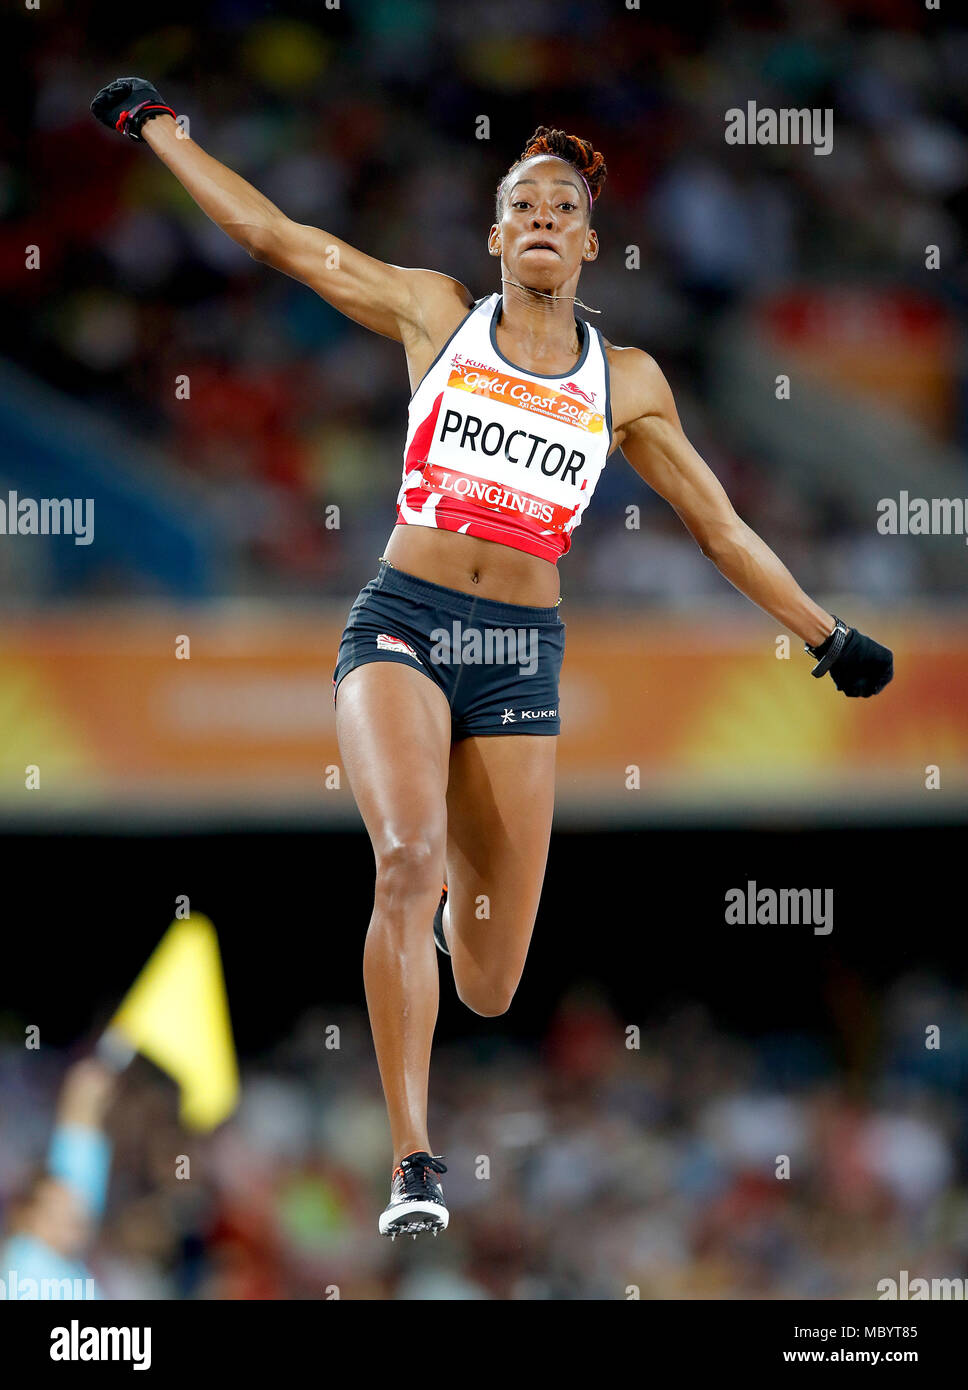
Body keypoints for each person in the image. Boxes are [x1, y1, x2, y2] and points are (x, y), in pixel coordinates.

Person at [90, 80, 893, 1239]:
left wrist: (822, 634)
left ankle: (425, 952)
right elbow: (274, 237)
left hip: (519, 654)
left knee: (490, 979)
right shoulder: (434, 312)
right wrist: (159, 128)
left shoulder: (628, 383)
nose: (542, 219)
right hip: (402, 620)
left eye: (562, 206)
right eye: (521, 203)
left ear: (589, 242)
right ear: (491, 232)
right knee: (405, 859)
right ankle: (413, 1158)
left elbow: (717, 526)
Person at [1, 1058, 117, 1298]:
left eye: (73, 1209)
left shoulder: (59, 1260)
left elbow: (78, 1160)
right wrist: (81, 1100)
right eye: (58, 1211)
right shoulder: (28, 1270)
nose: (73, 1216)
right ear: (25, 1216)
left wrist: (85, 1099)